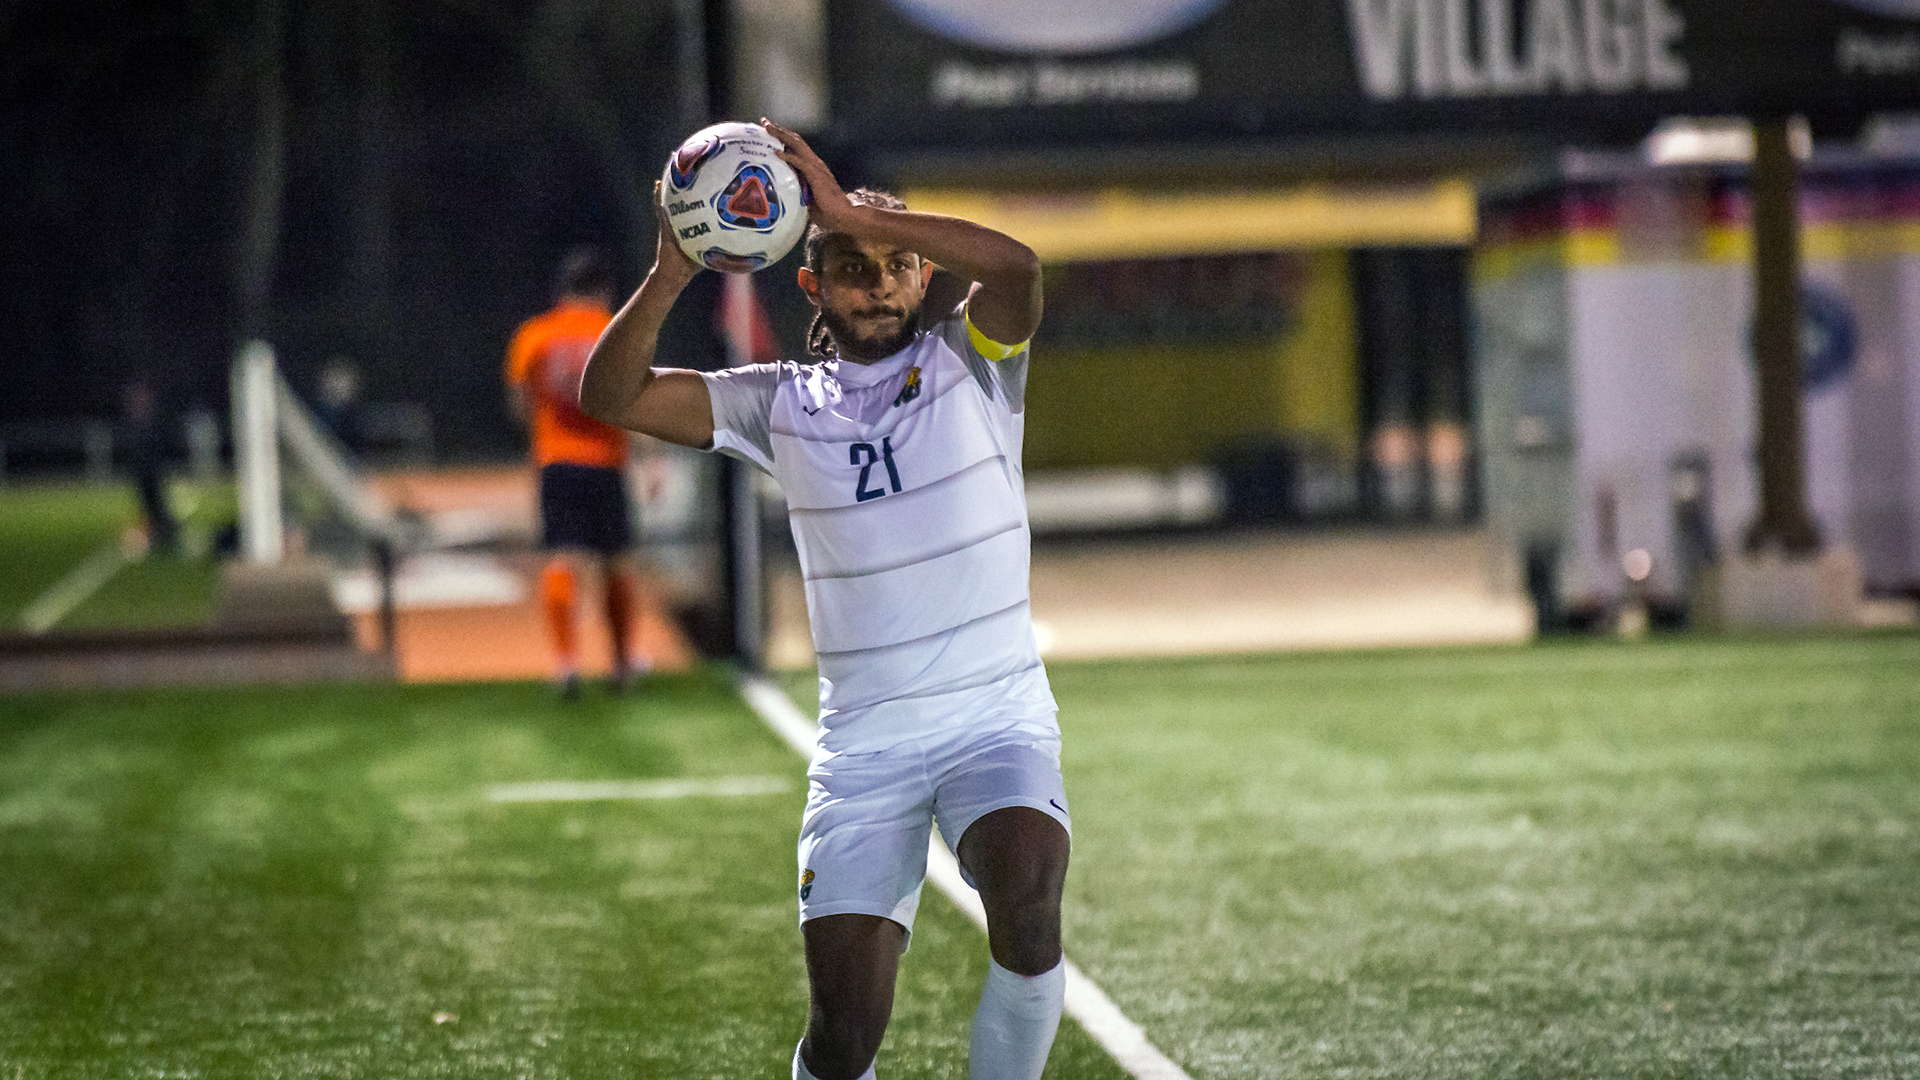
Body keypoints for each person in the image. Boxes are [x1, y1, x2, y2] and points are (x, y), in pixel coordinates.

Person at [580, 119, 1068, 1080]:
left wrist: (851, 209)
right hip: (865, 750)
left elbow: (1019, 273)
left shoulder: (975, 361)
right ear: (811, 284)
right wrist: (674, 271)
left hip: (994, 717)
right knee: (845, 1035)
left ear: (926, 276)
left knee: (1028, 894)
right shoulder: (780, 403)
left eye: (898, 265)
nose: (879, 282)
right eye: (850, 264)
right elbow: (612, 396)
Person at [505, 246, 647, 696]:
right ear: (603, 289)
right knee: (616, 560)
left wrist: (542, 434)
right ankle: (622, 664)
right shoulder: (615, 331)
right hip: (608, 460)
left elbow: (519, 401)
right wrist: (649, 456)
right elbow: (639, 398)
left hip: (557, 460)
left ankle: (567, 663)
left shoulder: (535, 334)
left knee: (561, 556)